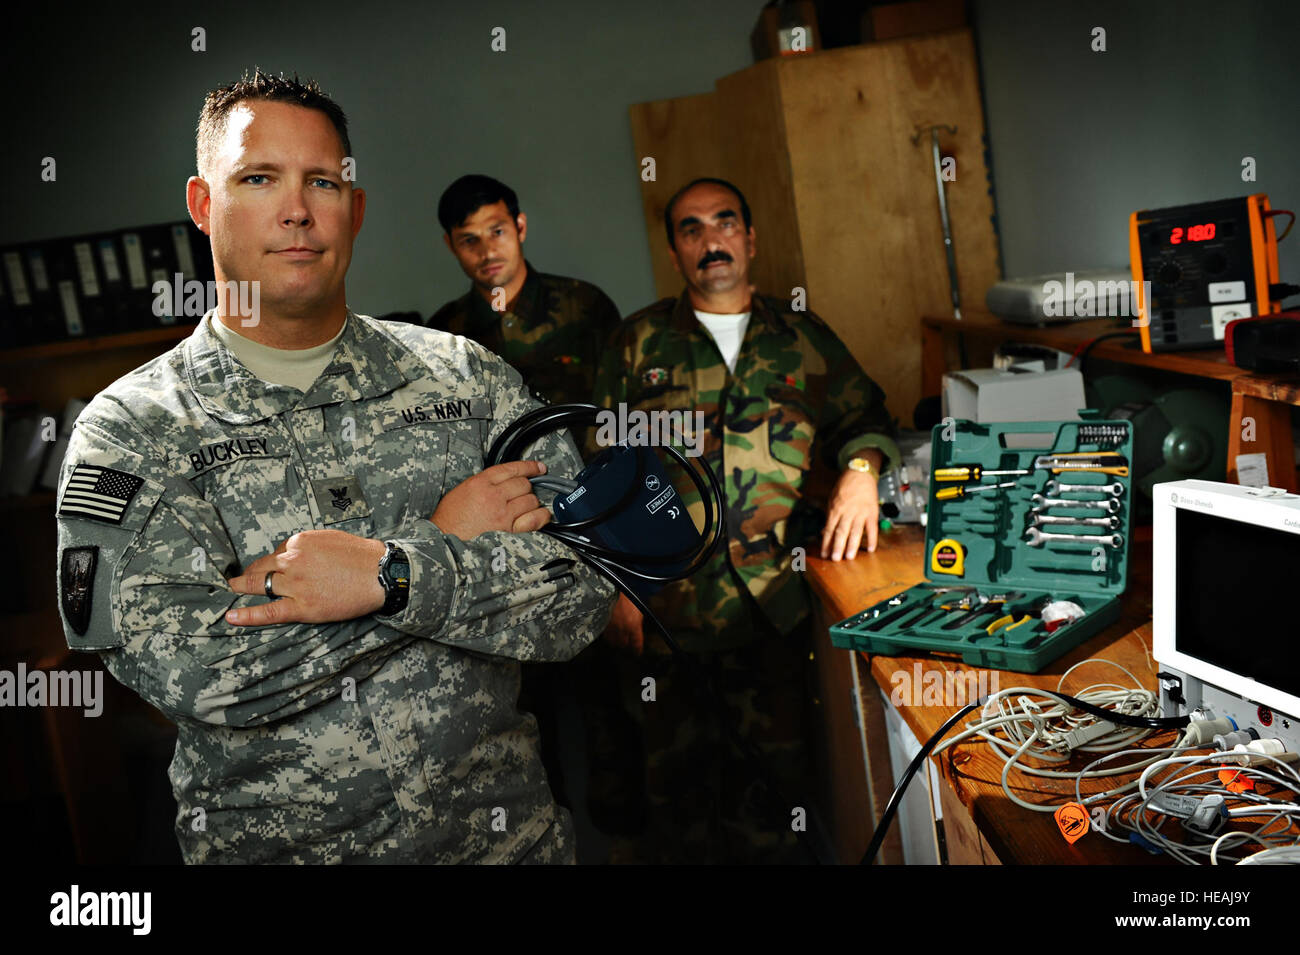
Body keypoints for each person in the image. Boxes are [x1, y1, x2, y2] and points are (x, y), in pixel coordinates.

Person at [53, 69, 616, 864]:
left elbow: (580, 593)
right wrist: (439, 545)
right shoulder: (131, 431)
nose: (297, 209)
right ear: (204, 204)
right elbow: (196, 672)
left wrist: (387, 574)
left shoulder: (468, 378)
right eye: (259, 178)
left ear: (354, 207)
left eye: (324, 180)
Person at [591, 177, 900, 863]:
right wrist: (614, 585)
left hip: (770, 609)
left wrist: (860, 471)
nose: (711, 241)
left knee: (779, 794)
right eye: (692, 229)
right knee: (677, 798)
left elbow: (866, 416)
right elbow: (602, 474)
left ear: (751, 239)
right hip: (667, 615)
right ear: (675, 250)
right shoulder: (638, 344)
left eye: (724, 222)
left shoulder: (803, 338)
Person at [428, 175, 621, 407]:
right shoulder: (440, 335)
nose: (488, 252)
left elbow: (623, 411)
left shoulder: (585, 306)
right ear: (451, 245)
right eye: (470, 240)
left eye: (497, 232)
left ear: (520, 227)